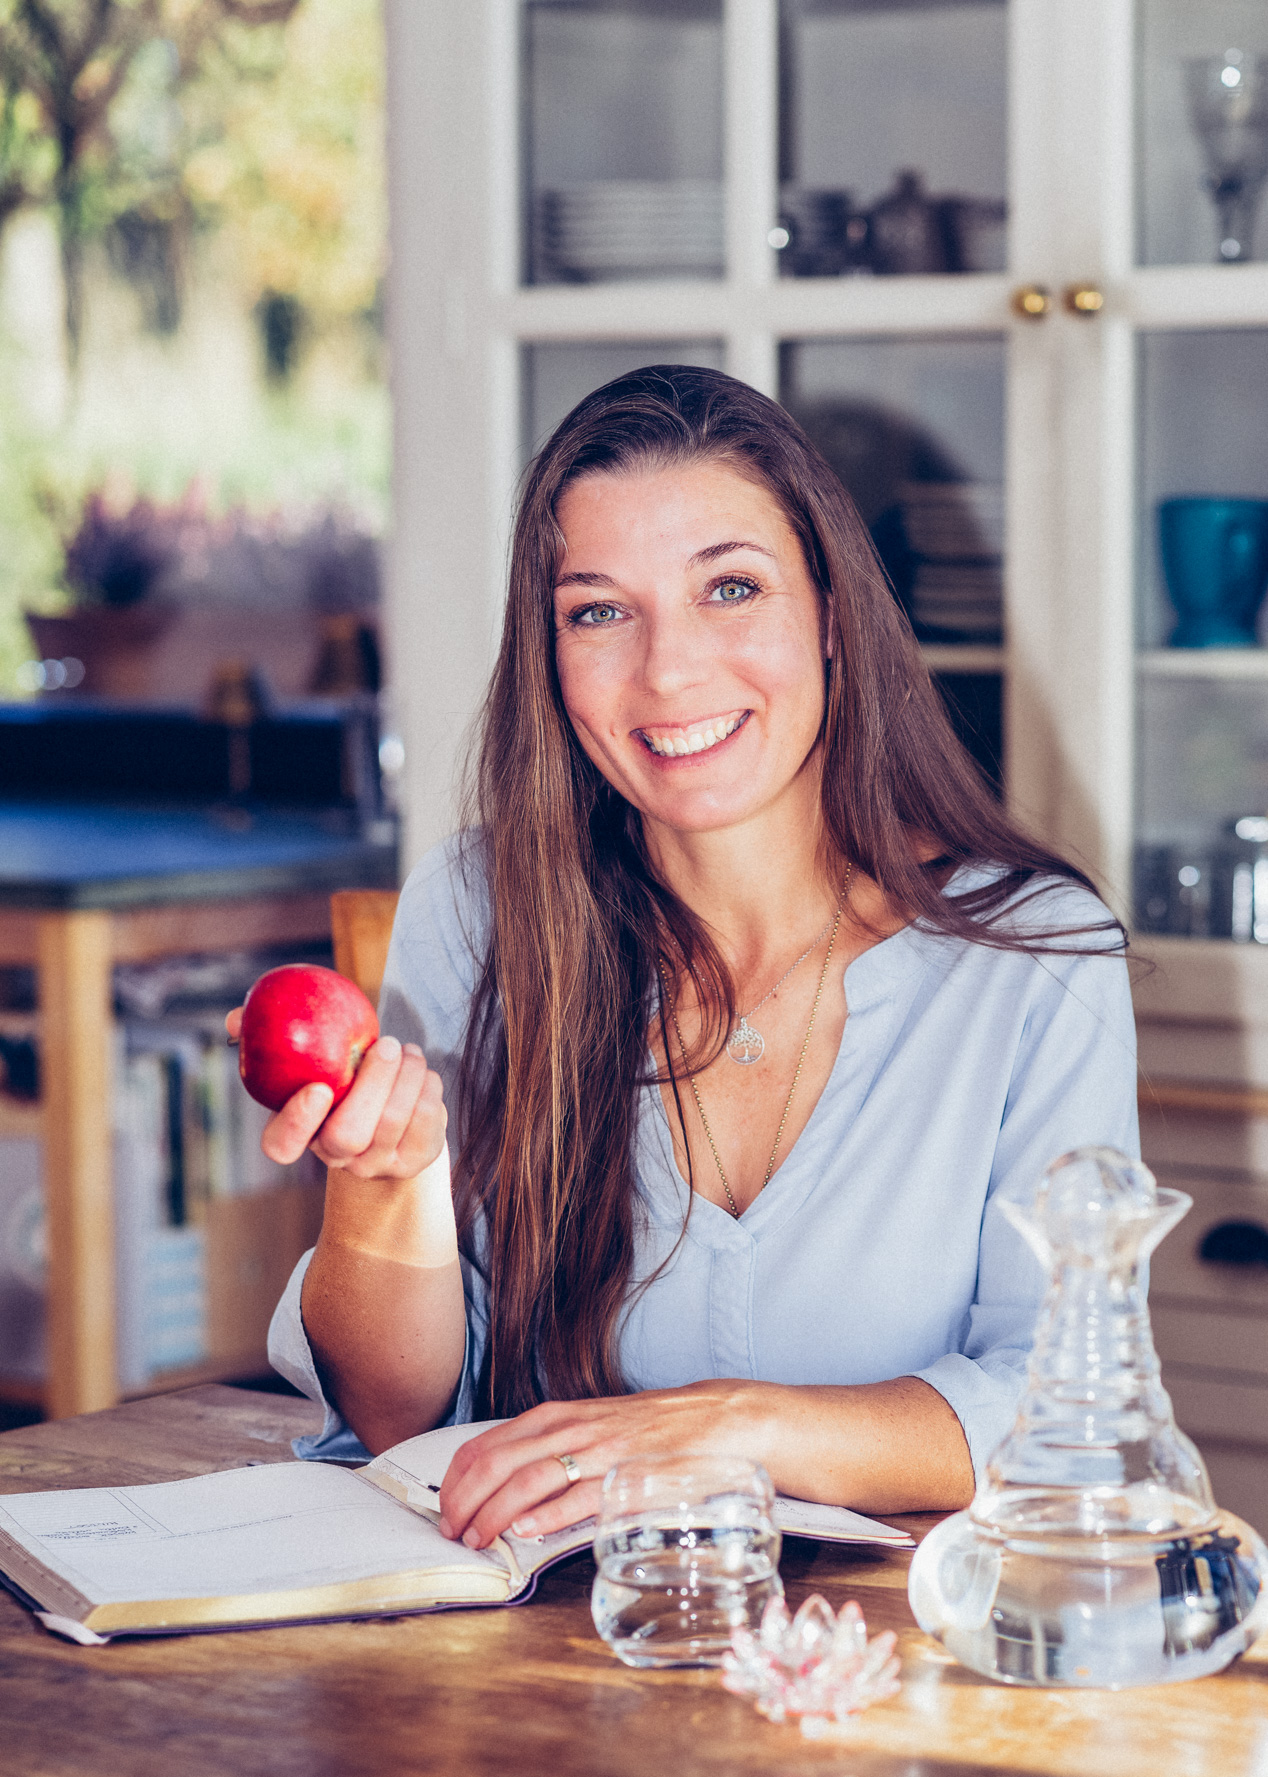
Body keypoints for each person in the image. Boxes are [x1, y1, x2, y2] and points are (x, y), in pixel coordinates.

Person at [252, 365, 1137, 1554]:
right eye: (597, 611)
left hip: (889, 1648)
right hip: (556, 1639)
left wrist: (730, 1428)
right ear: (548, 653)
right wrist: (380, 1193)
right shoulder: (475, 912)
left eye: (730, 587)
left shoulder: (1033, 960)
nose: (666, 670)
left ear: (832, 615)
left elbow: (1071, 1407)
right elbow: (399, 1418)